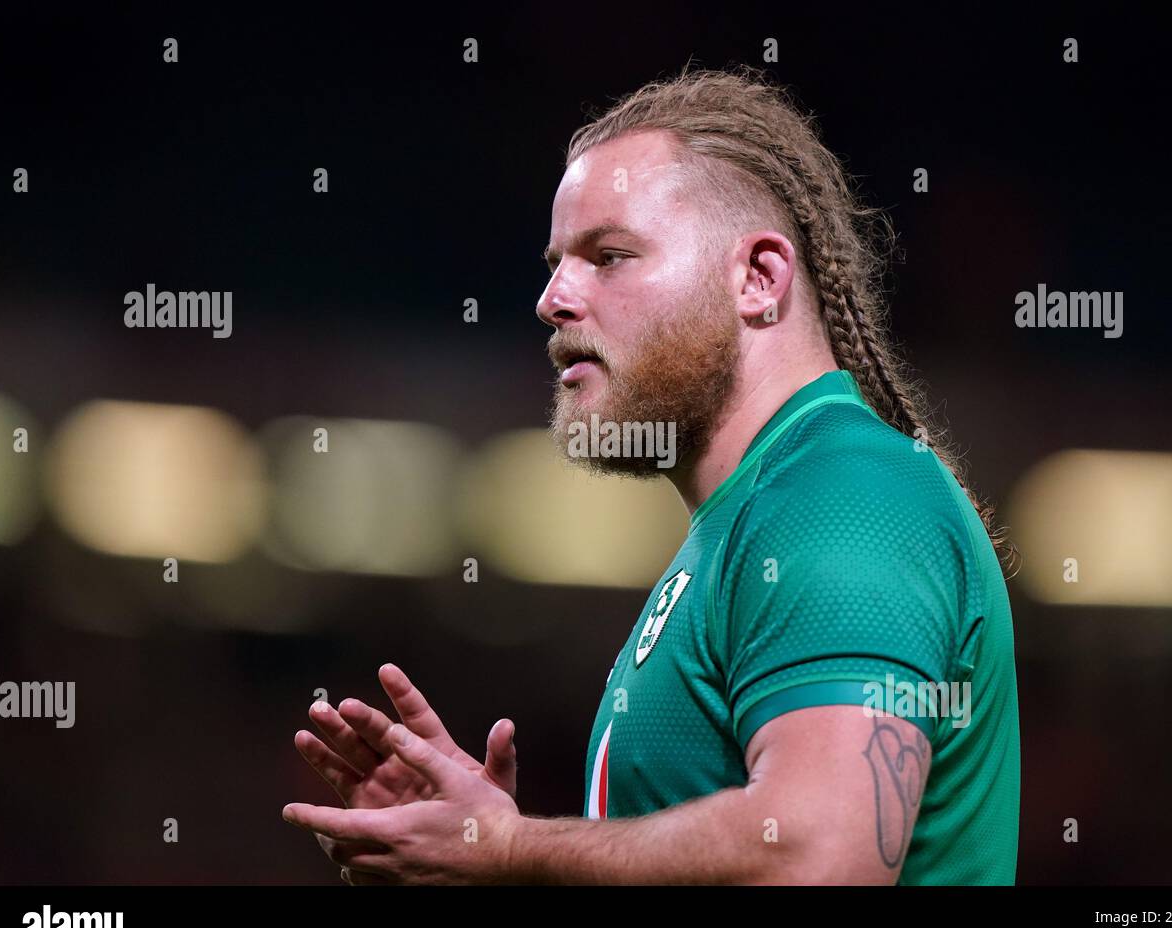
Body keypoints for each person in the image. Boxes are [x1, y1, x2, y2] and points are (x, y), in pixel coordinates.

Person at [282, 65, 1020, 885]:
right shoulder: (756, 516)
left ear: (758, 280)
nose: (552, 297)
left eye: (609, 255)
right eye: (558, 261)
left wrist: (508, 846)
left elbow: (819, 855)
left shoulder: (843, 496)